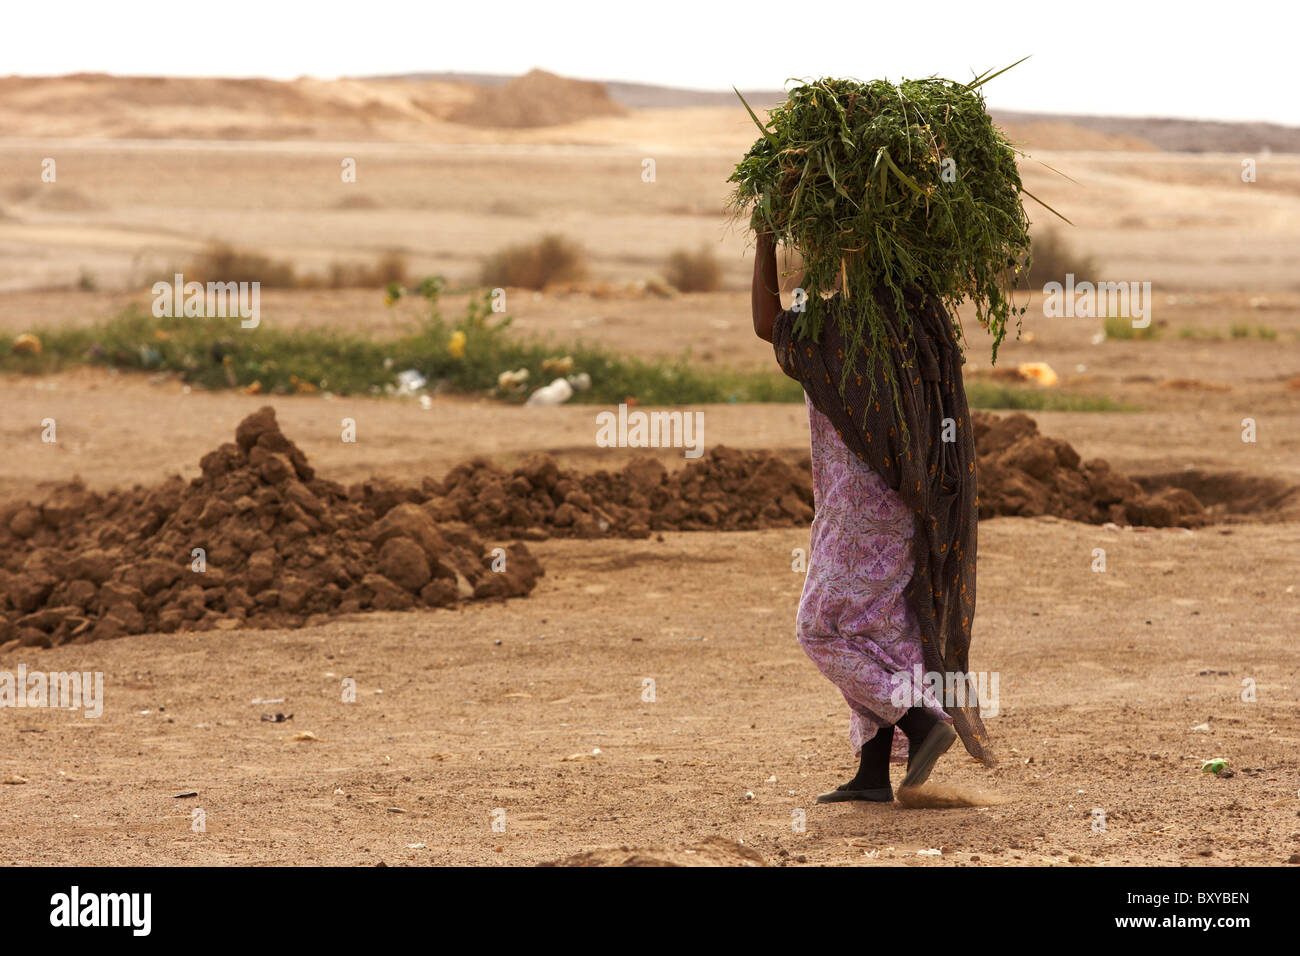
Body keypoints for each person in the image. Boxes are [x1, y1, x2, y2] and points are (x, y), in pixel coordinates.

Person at [751, 231, 992, 803]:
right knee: (880, 631)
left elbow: (769, 325)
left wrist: (765, 242)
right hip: (907, 504)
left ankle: (921, 721)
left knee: (820, 628)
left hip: (859, 509)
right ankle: (872, 773)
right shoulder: (919, 324)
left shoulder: (838, 328)